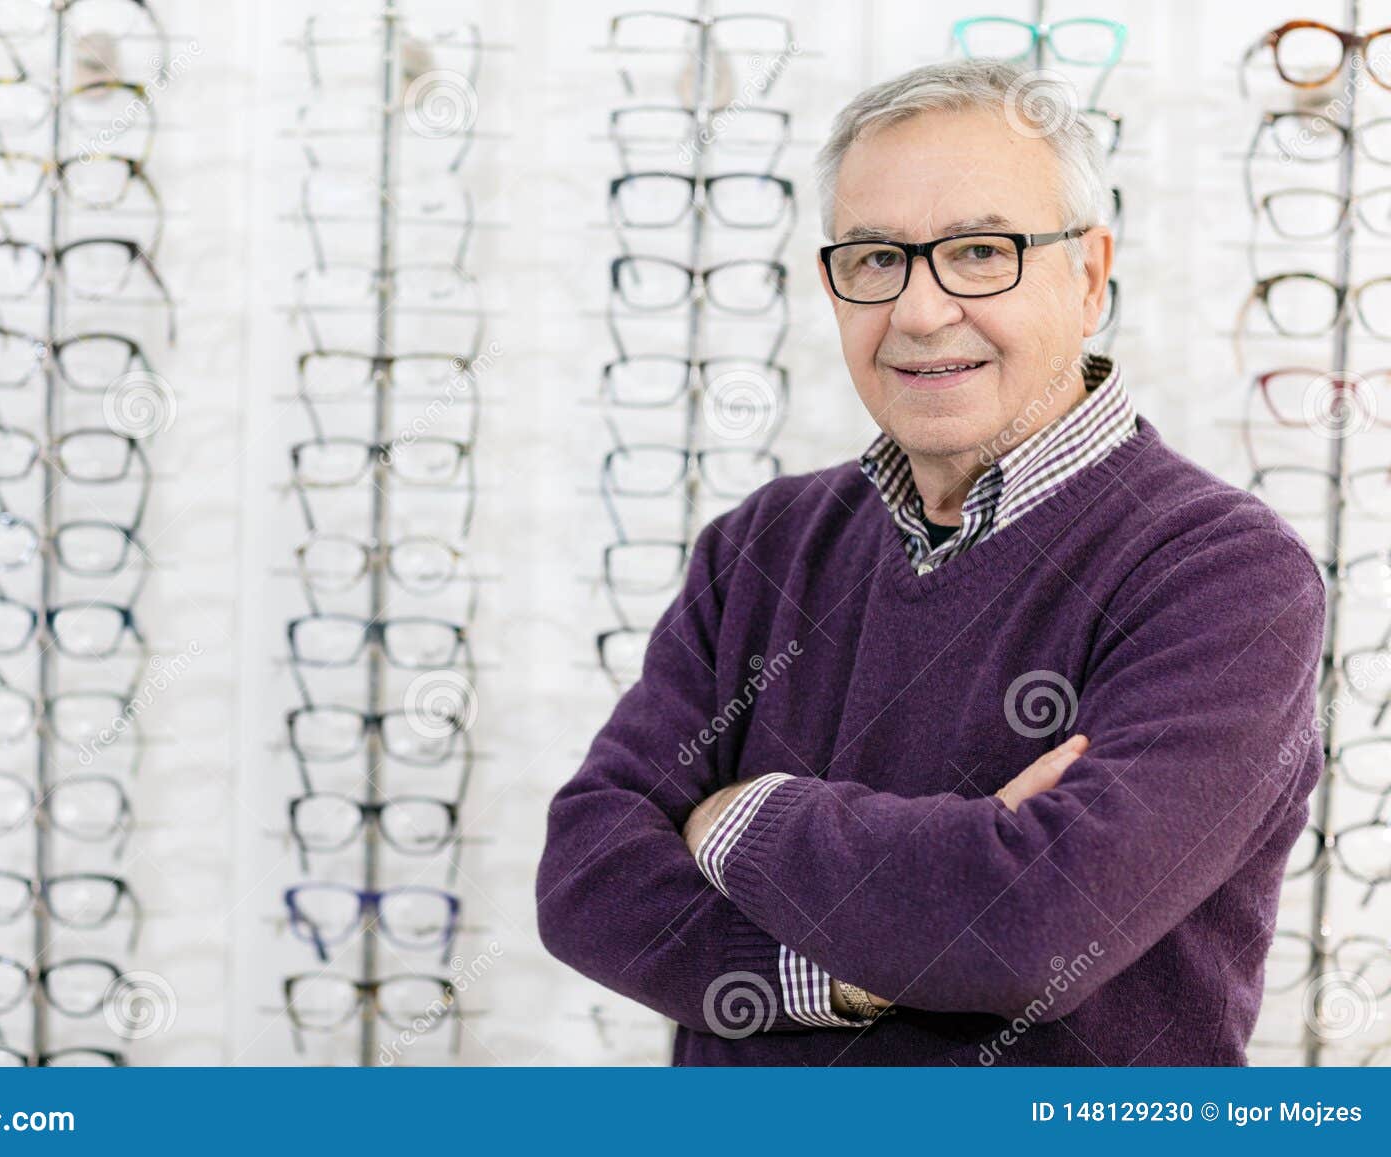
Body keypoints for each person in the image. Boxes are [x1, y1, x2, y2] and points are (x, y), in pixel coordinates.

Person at [535, 58, 1326, 1066]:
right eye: (874, 259)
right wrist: (862, 964)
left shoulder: (1222, 574)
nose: (917, 312)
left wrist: (738, 815)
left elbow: (1029, 926)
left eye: (979, 252)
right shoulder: (762, 546)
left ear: (1088, 276)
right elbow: (585, 875)